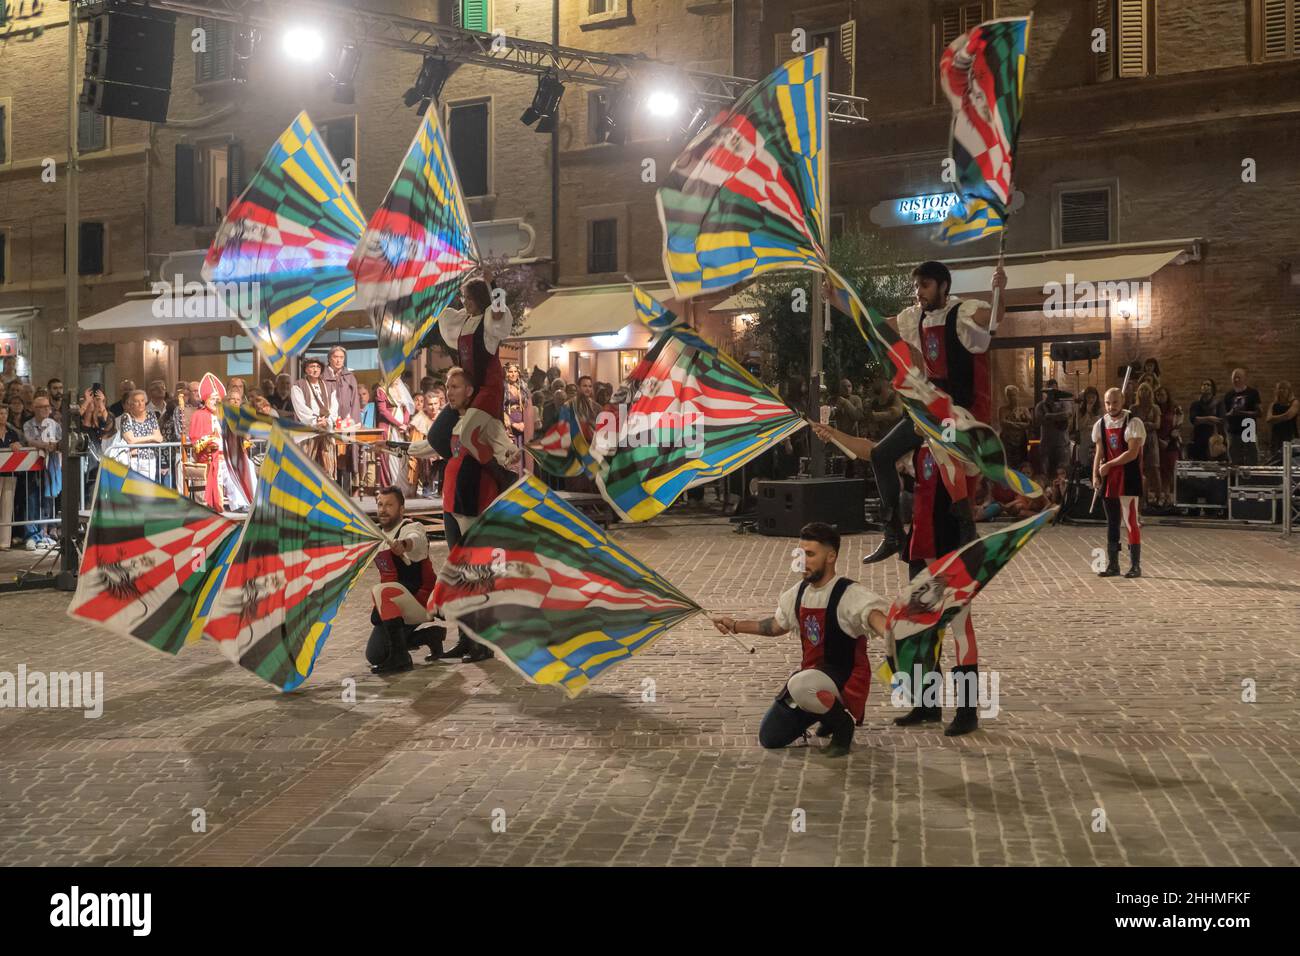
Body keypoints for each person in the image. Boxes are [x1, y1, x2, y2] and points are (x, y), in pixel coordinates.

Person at [813, 421, 984, 735]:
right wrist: (834, 434)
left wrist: (935, 433)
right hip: (922, 545)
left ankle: (968, 710)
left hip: (952, 544)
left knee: (959, 626)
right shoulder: (915, 447)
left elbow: (963, 466)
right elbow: (874, 452)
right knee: (918, 628)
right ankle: (928, 704)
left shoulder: (956, 440)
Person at [862, 260, 1006, 564]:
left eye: (924, 285)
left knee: (946, 447)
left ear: (943, 287)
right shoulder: (915, 317)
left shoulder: (962, 311)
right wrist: (840, 300)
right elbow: (876, 323)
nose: (918, 292)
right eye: (916, 286)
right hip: (928, 403)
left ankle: (966, 523)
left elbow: (994, 317)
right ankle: (892, 533)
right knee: (881, 455)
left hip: (960, 408)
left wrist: (1000, 291)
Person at [711, 522, 888, 757]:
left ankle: (842, 726)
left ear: (831, 556)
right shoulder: (798, 592)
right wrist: (734, 625)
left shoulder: (850, 594)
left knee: (800, 684)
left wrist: (896, 634)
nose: (803, 560)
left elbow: (876, 618)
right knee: (770, 737)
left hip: (845, 680)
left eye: (811, 554)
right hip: (812, 682)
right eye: (801, 553)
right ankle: (826, 713)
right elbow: (774, 627)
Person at [415, 368, 508, 664]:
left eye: (455, 386)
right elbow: (430, 446)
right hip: (451, 503)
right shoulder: (454, 421)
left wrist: (511, 456)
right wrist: (399, 449)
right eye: (447, 386)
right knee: (460, 573)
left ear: (470, 390)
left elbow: (504, 447)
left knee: (477, 573)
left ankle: (484, 642)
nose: (449, 391)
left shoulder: (484, 420)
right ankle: (466, 640)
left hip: (474, 502)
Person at [366, 486, 446, 674]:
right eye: (380, 505)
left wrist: (404, 545)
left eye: (389, 505)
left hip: (419, 599)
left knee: (381, 590)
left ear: (401, 509)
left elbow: (415, 540)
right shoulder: (377, 534)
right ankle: (430, 636)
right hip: (394, 605)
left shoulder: (411, 527)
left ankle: (401, 658)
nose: (383, 509)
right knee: (375, 654)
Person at [1092, 387, 1145, 579]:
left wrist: (1110, 465)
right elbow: (1100, 451)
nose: (1111, 406)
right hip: (1109, 480)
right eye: (1107, 402)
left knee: (1130, 521)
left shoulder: (1134, 422)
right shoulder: (1101, 424)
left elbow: (1132, 453)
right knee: (1112, 522)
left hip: (1127, 478)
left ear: (1122, 401)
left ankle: (1135, 565)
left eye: (1115, 402)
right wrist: (1095, 474)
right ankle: (1113, 565)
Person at [189, 373, 254, 513]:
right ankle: (238, 504)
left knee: (248, 464)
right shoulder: (199, 415)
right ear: (206, 399)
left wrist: (242, 443)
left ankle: (250, 501)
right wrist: (210, 441)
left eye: (217, 399)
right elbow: (196, 442)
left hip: (228, 454)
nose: (214, 401)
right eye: (212, 399)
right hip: (210, 456)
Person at [22, 394, 62, 551]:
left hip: (50, 469)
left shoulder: (54, 424)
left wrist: (55, 445)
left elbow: (60, 440)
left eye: (48, 406)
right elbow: (30, 440)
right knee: (32, 501)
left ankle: (44, 534)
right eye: (42, 407)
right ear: (34, 409)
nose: (47, 409)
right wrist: (45, 445)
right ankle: (31, 535)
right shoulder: (28, 424)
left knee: (48, 502)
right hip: (33, 470)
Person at [291, 356, 339, 478]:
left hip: (326, 430)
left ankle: (327, 494)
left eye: (318, 367)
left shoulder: (330, 386)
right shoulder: (298, 385)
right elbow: (300, 408)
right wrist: (315, 421)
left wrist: (327, 421)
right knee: (306, 468)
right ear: (306, 369)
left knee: (328, 469)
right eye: (312, 366)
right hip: (308, 432)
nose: (315, 369)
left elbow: (334, 407)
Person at [323, 346, 362, 491]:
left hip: (346, 424)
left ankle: (346, 493)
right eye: (335, 357)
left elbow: (355, 402)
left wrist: (352, 421)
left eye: (341, 357)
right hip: (329, 424)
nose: (338, 360)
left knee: (345, 458)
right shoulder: (323, 376)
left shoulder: (349, 377)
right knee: (329, 459)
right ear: (329, 358)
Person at [118, 389, 164, 482]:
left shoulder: (151, 415)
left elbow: (159, 438)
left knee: (149, 490)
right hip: (134, 460)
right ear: (131, 404)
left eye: (142, 401)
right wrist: (151, 438)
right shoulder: (126, 417)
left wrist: (138, 440)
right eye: (136, 401)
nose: (140, 404)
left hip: (150, 458)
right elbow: (131, 441)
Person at [1222, 367, 1262, 466]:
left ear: (1244, 378)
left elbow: (1259, 412)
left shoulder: (1252, 393)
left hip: (1248, 429)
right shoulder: (1228, 395)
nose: (1236, 380)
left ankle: (1251, 480)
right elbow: (1224, 415)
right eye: (1234, 378)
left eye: (1239, 377)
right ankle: (1235, 480)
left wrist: (1244, 413)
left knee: (1251, 458)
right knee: (1234, 459)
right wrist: (1231, 413)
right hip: (1233, 431)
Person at [1034, 379, 1072, 480]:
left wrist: (1049, 415)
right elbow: (1039, 420)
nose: (1052, 394)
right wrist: (1057, 416)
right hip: (1046, 444)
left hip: (1062, 444)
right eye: (1050, 392)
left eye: (1054, 391)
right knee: (1046, 474)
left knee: (1063, 474)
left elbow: (1067, 415)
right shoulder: (1040, 406)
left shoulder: (1064, 403)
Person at [1132, 382, 1162, 508]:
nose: (1143, 392)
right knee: (1139, 469)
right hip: (1138, 439)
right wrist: (1146, 424)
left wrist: (1147, 424)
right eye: (1141, 390)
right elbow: (1132, 424)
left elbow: (1157, 424)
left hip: (1151, 439)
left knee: (1154, 468)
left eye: (1146, 390)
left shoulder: (1155, 408)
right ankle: (1142, 498)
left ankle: (1159, 497)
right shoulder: (1133, 408)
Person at [1153, 385, 1182, 508]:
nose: (1160, 397)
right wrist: (1158, 440)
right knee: (1160, 471)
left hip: (1171, 443)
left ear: (1167, 395)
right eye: (1158, 395)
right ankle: (1161, 496)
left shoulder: (1175, 409)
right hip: (1156, 443)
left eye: (1163, 395)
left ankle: (1171, 496)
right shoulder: (1154, 409)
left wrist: (1168, 440)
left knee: (1171, 470)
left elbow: (1178, 426)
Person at [503, 363, 534, 476]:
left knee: (524, 454)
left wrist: (525, 423)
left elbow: (528, 407)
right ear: (506, 373)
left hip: (523, 425)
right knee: (513, 455)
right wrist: (511, 424)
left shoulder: (523, 387)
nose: (513, 374)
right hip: (509, 426)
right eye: (510, 372)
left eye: (515, 371)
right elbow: (500, 408)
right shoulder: (503, 388)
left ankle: (524, 479)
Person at [997, 384, 1031, 471]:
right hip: (1007, 443)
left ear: (1017, 395)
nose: (1012, 397)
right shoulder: (1003, 409)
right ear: (1007, 397)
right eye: (1010, 395)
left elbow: (1029, 424)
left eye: (1014, 395)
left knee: (1022, 465)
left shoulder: (1024, 410)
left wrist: (1012, 424)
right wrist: (1019, 425)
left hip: (1020, 442)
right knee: (1008, 466)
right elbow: (1003, 423)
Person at [1073, 386, 1102, 487]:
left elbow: (1100, 424)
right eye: (1089, 397)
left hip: (1096, 442)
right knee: (1085, 465)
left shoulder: (1099, 409)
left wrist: (1090, 426)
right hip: (1085, 441)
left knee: (1096, 464)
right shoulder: (1080, 410)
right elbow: (1080, 426)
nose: (1091, 400)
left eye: (1093, 397)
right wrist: (1087, 412)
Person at [1188, 378, 1221, 462]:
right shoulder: (1195, 404)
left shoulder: (1218, 404)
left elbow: (1219, 420)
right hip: (1198, 439)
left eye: (1208, 385)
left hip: (1214, 440)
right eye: (1203, 384)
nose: (1205, 386)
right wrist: (1209, 418)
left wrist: (1201, 419)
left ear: (1212, 388)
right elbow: (1193, 419)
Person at [1265, 381, 1298, 464]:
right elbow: (1268, 419)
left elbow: (1289, 416)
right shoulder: (1273, 404)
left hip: (1290, 435)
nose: (1282, 390)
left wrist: (1274, 418)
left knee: (1289, 460)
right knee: (1276, 460)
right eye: (1280, 388)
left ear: (1289, 390)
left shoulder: (1294, 403)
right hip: (1276, 436)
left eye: (1284, 388)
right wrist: (1283, 417)